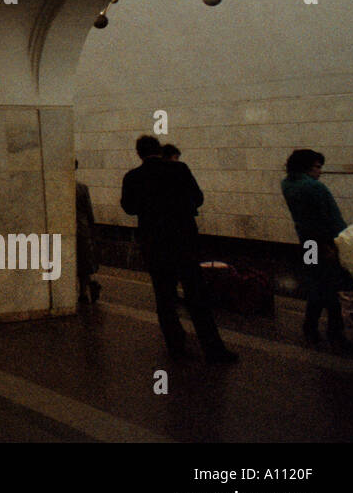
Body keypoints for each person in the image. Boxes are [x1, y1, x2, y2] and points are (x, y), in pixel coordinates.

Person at [121, 134, 236, 364]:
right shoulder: (179, 169)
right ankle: (214, 350)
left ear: (139, 153)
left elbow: (129, 207)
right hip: (184, 242)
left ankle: (177, 348)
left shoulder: (133, 177)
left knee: (164, 299)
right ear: (159, 149)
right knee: (197, 296)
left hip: (154, 245)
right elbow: (198, 198)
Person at [282, 149, 353, 352]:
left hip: (308, 244)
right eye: (317, 167)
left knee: (315, 283)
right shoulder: (315, 188)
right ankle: (335, 333)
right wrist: (333, 246)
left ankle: (310, 326)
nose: (319, 171)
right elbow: (326, 219)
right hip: (325, 244)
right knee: (331, 287)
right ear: (305, 167)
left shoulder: (287, 184)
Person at [75, 159, 100, 303]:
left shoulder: (57, 187)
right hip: (82, 229)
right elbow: (89, 211)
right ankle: (85, 291)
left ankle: (85, 289)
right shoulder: (82, 188)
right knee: (84, 261)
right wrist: (92, 229)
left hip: (68, 230)